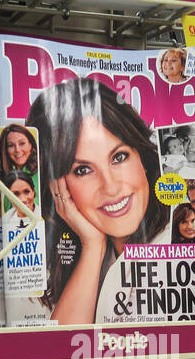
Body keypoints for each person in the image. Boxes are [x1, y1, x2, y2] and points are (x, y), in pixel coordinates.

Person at [25, 77, 169, 325]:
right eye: (82, 170)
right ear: (59, 188)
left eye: (119, 157)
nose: (111, 187)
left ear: (142, 158)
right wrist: (92, 246)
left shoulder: (177, 237)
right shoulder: (83, 258)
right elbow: (61, 352)